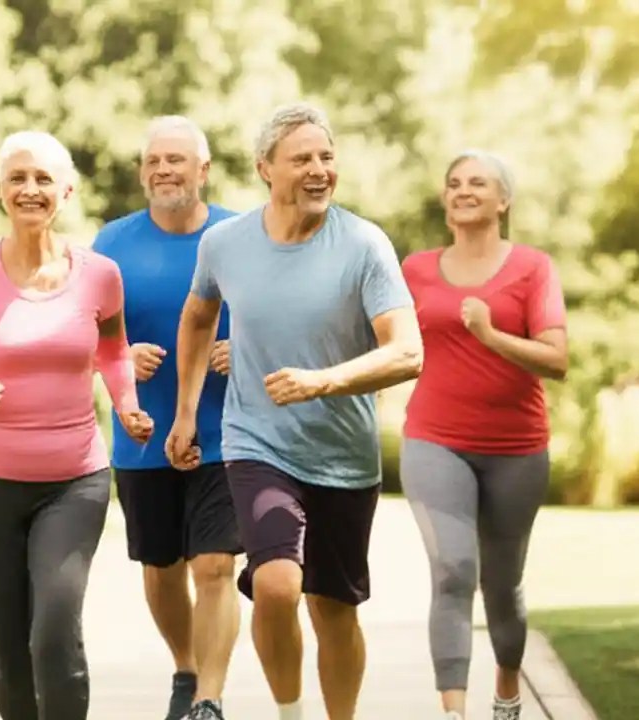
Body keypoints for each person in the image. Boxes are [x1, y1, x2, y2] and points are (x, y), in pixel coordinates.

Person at [165, 102, 423, 720]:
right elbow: (198, 315)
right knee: (276, 586)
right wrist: (185, 411)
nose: (318, 170)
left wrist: (323, 382)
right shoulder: (225, 243)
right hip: (257, 443)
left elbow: (408, 352)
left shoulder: (364, 244)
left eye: (326, 157)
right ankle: (290, 712)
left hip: (342, 456)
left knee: (333, 609)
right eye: (302, 158)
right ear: (265, 168)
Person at [0, 130, 154, 720]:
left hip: (75, 480)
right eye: (18, 178)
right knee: (4, 642)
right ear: (0, 191)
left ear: (65, 191)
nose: (30, 188)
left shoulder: (100, 276)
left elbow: (114, 352)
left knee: (53, 628)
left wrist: (126, 405)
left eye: (43, 178)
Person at [399, 150, 568, 720]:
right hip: (433, 438)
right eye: (453, 183)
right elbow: (376, 338)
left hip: (516, 450)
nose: (463, 190)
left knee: (502, 587)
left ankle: (507, 690)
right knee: (452, 571)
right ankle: (454, 712)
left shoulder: (533, 268)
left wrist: (490, 334)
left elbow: (557, 359)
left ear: (503, 200)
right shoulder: (415, 270)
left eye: (478, 182)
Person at [91, 115, 241, 720]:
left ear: (202, 170)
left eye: (175, 160)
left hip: (227, 431)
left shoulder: (240, 235)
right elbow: (87, 335)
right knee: (160, 566)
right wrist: (120, 358)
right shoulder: (112, 244)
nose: (162, 170)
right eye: (153, 161)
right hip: (142, 433)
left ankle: (210, 695)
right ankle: (185, 667)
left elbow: (278, 315)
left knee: (215, 563)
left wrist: (251, 350)